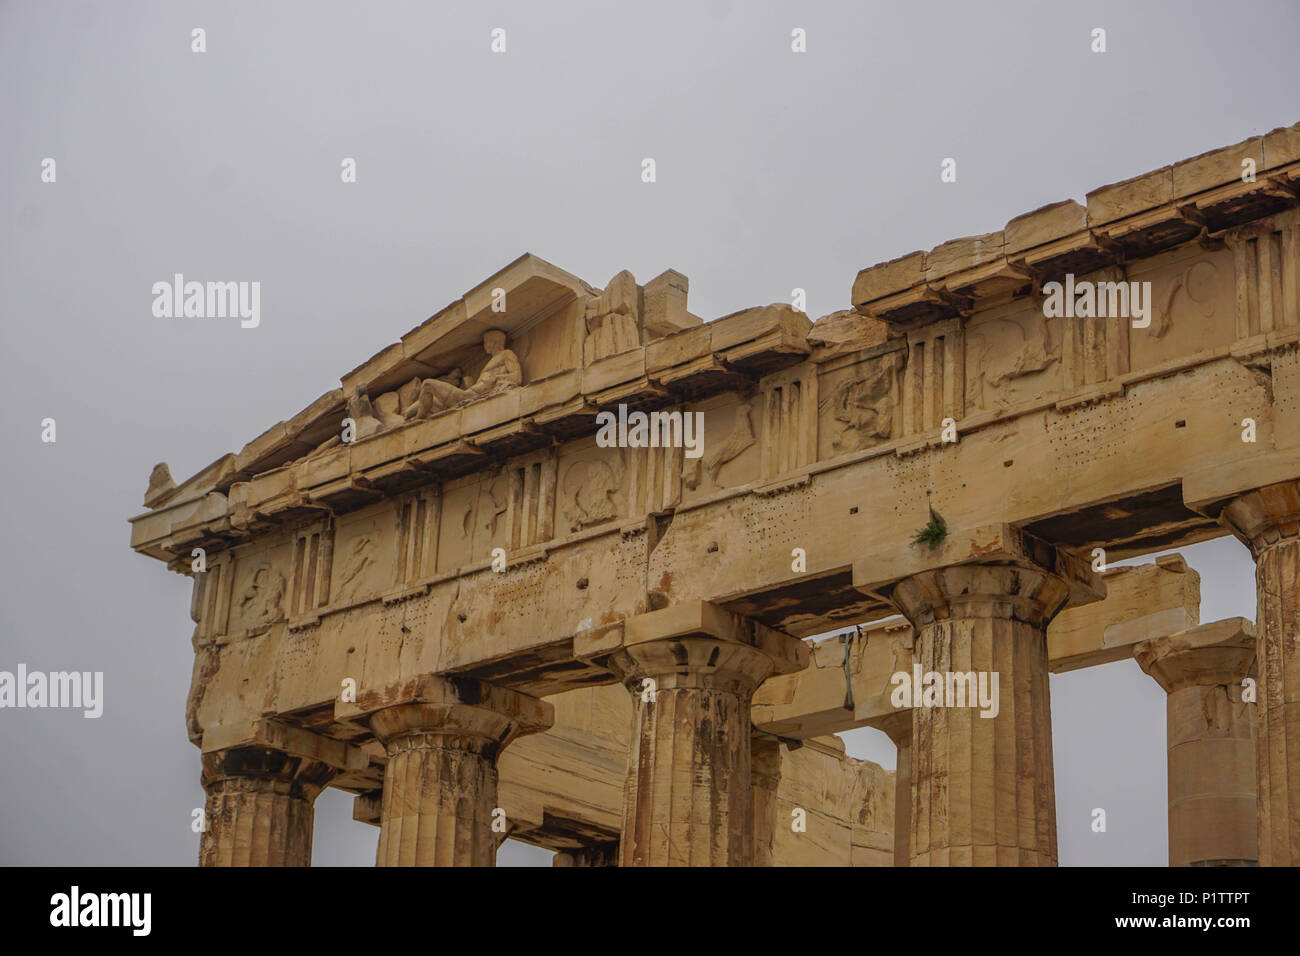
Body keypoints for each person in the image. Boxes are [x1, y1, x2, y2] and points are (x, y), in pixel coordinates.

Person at [404, 330, 522, 419]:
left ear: (494, 342)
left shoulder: (506, 354)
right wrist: (470, 383)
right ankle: (406, 418)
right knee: (427, 402)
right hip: (468, 394)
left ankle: (418, 422)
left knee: (427, 384)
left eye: (486, 342)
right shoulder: (492, 361)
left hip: (468, 397)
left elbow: (517, 377)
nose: (485, 346)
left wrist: (496, 378)